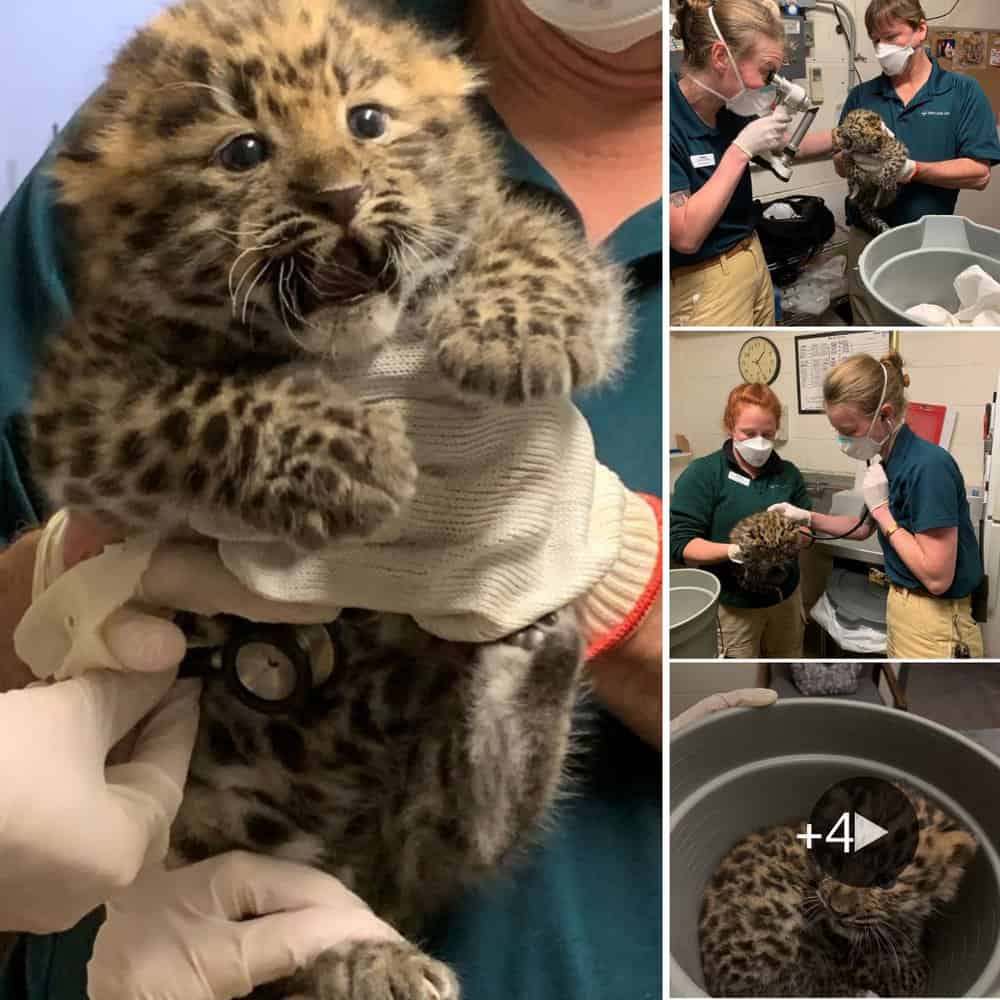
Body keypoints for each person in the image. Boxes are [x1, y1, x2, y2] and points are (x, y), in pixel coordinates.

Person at [0, 2, 663, 999]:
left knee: (468, 764)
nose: (334, 179)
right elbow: (80, 427)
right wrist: (70, 572)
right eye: (245, 150)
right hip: (195, 864)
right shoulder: (152, 119)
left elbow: (927, 699)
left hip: (456, 807)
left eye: (362, 124)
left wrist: (608, 564)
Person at [769, 351, 985, 659]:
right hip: (903, 608)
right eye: (838, 431)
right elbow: (860, 529)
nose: (842, 441)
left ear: (885, 414)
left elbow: (937, 578)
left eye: (849, 431)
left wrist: (883, 513)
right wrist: (804, 515)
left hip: (934, 619)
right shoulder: (890, 461)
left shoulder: (928, 467)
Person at [795, 0, 1000, 324]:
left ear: (920, 30)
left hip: (929, 240)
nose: (882, 49)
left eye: (891, 37)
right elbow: (839, 163)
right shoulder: (863, 96)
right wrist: (854, 163)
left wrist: (912, 170)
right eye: (876, 40)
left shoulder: (963, 92)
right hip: (867, 235)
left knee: (924, 323)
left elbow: (978, 174)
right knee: (868, 328)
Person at [668, 0, 791, 326]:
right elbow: (684, 236)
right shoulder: (661, 117)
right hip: (704, 281)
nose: (767, 84)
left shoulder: (728, 108)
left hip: (751, 256)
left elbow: (786, 149)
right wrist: (740, 150)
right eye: (765, 71)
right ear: (721, 57)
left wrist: (839, 138)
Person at [670, 381, 811, 658]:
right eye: (749, 433)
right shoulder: (703, 474)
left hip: (785, 599)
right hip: (734, 607)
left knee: (789, 661)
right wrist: (734, 550)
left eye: (767, 434)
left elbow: (808, 532)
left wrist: (794, 537)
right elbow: (681, 543)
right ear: (729, 426)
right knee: (737, 671)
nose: (759, 442)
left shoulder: (788, 474)